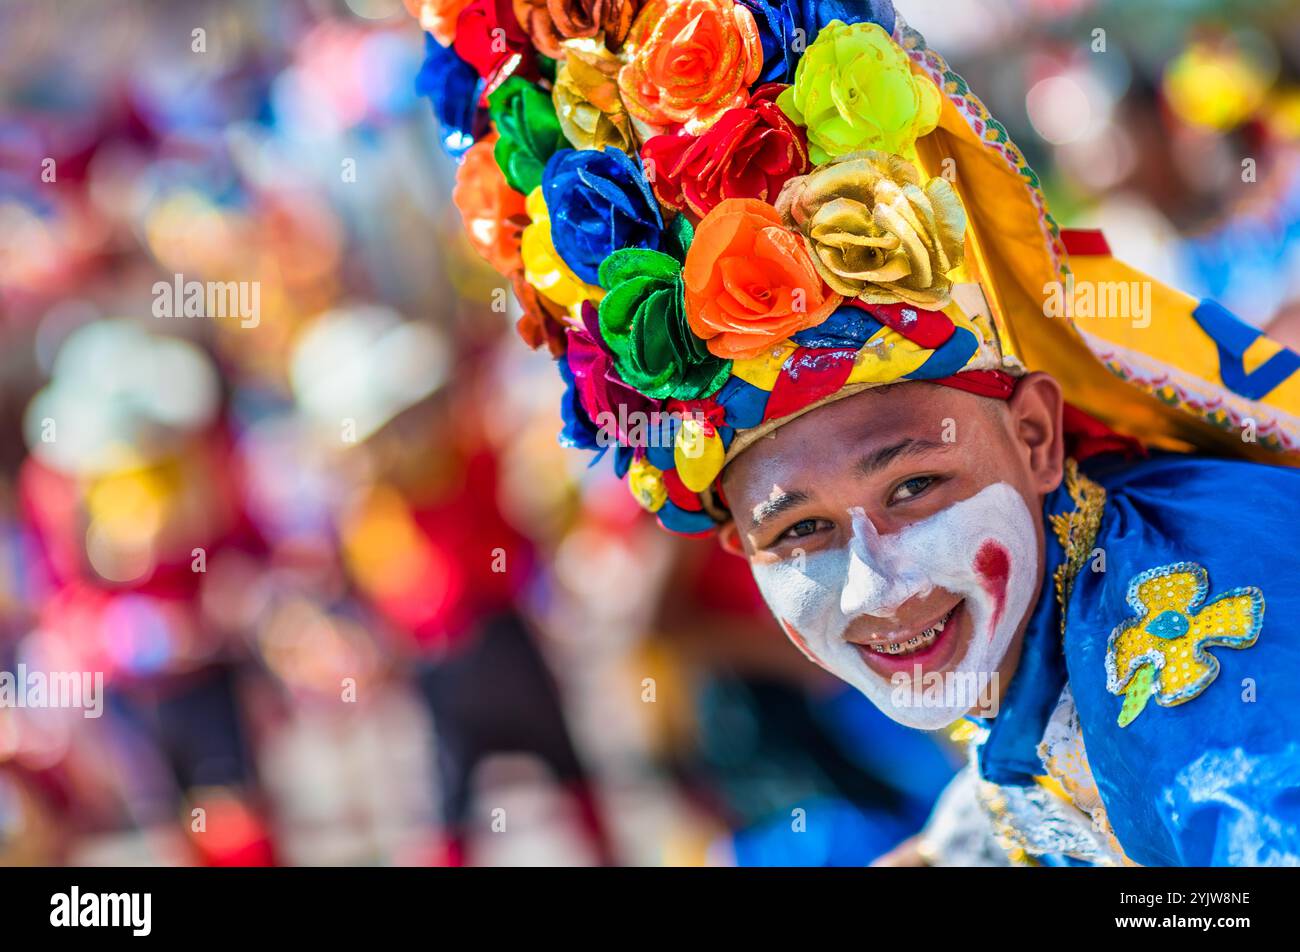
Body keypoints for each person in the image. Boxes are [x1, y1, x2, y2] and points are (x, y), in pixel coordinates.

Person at [410, 0, 1300, 864]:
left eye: (913, 487)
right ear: (739, 547)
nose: (878, 585)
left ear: (1035, 435)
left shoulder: (1170, 638)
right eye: (801, 531)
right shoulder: (1051, 610)